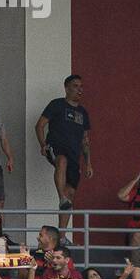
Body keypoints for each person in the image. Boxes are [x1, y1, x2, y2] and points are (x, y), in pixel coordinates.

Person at [35, 74, 92, 230]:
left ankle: (62, 236)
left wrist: (88, 163)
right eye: (75, 86)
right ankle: (61, 197)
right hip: (56, 147)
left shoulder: (83, 112)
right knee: (62, 160)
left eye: (81, 87)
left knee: (71, 194)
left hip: (75, 155)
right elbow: (39, 125)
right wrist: (42, 144)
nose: (79, 90)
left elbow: (85, 140)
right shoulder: (57, 104)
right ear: (66, 88)